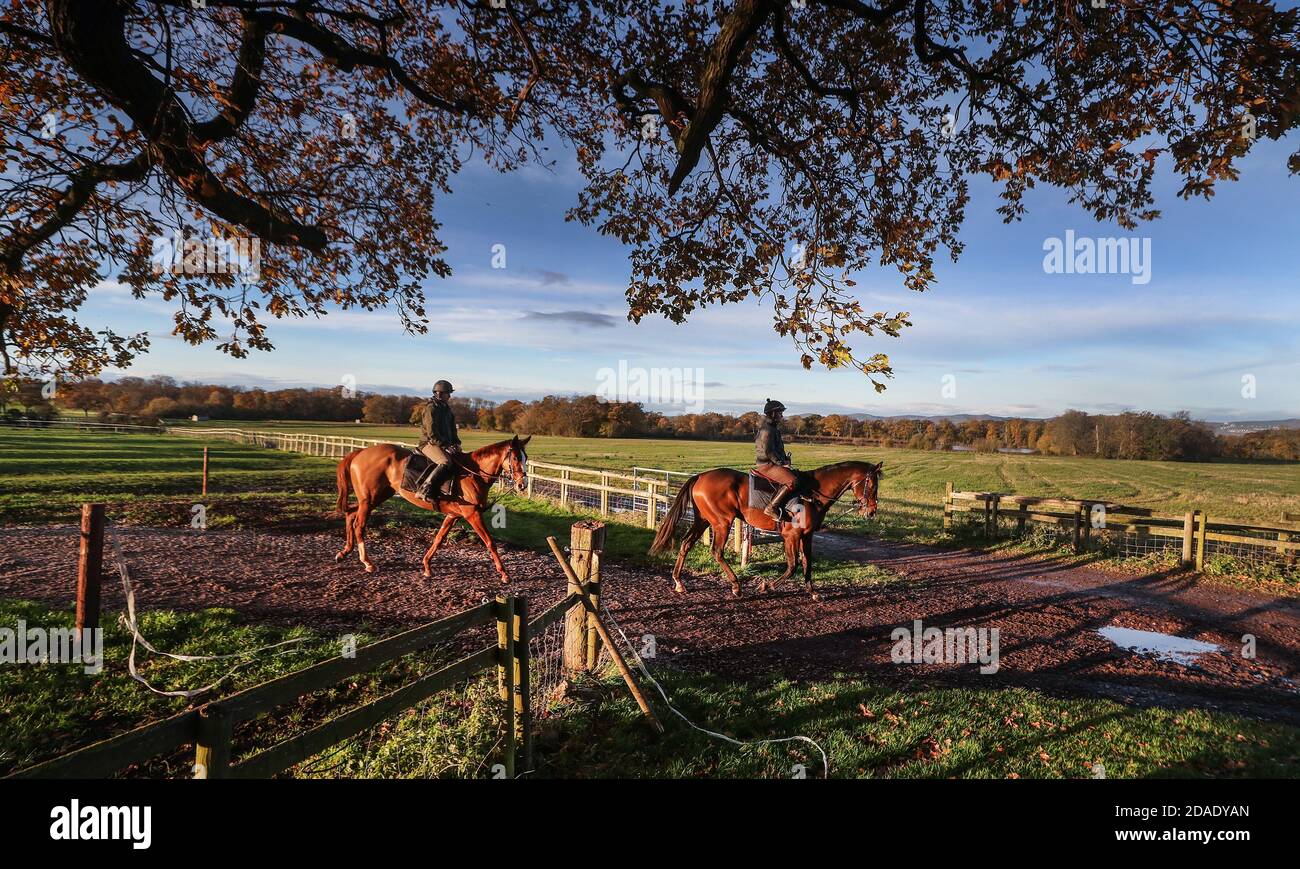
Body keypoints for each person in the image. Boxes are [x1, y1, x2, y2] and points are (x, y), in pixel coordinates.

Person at [416, 379, 462, 501]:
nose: (450, 396)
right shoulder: (431, 409)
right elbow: (432, 433)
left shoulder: (447, 410)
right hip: (429, 443)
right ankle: (424, 490)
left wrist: (456, 443)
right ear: (439, 393)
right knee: (445, 462)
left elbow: (453, 431)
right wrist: (445, 445)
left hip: (444, 444)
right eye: (448, 393)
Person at [754, 398, 799, 520]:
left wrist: (785, 460)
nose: (782, 415)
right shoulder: (767, 430)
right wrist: (781, 464)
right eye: (780, 412)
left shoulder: (773, 428)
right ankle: (771, 508)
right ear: (773, 413)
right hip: (766, 465)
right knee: (792, 481)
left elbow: (777, 449)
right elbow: (769, 451)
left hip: (772, 464)